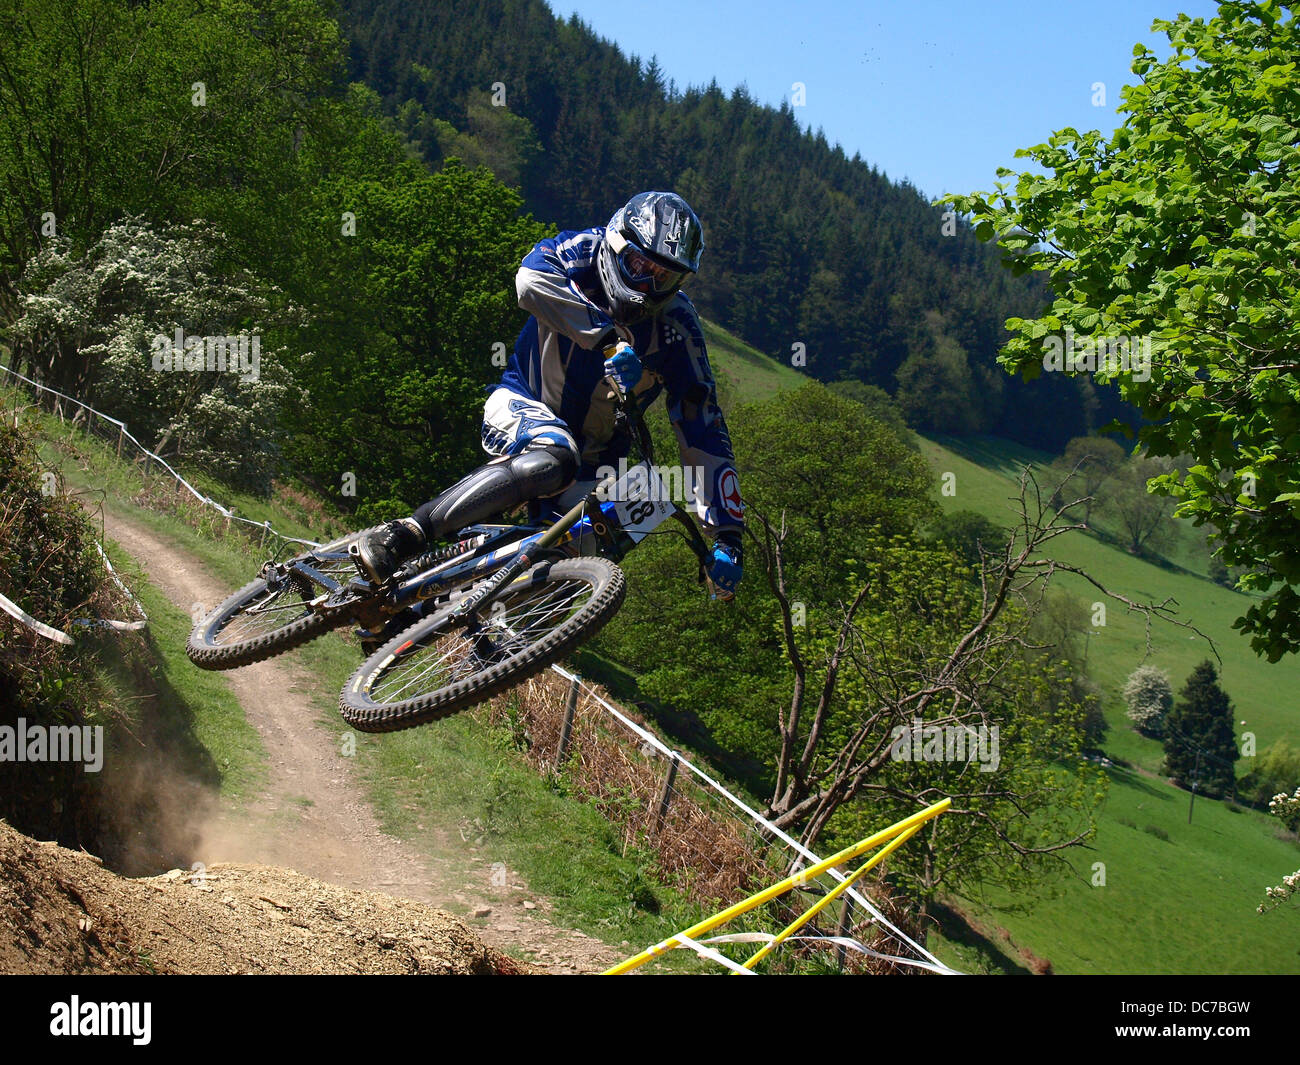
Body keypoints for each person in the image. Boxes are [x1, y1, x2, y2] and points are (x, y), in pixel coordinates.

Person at [353, 190, 744, 603]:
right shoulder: (580, 252)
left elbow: (702, 424)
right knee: (555, 458)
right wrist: (608, 339)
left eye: (662, 277)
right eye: (637, 265)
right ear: (616, 244)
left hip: (603, 457)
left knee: (617, 529)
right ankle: (405, 534)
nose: (647, 284)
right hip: (524, 403)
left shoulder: (677, 328)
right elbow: (529, 280)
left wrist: (727, 535)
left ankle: (490, 634)